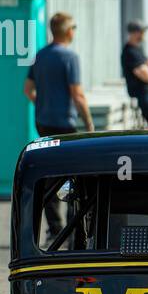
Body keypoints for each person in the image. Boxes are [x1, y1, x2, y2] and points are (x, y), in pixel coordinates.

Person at [25, 12, 93, 241]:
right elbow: (77, 95)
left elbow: (28, 90)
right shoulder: (69, 57)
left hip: (43, 123)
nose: (75, 30)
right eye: (74, 26)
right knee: (76, 177)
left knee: (50, 175)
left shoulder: (39, 55)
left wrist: (42, 104)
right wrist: (90, 125)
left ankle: (55, 230)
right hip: (66, 125)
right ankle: (75, 231)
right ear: (67, 31)